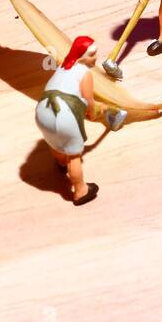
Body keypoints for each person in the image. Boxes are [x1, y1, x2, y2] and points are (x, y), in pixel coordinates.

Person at [34, 35, 126, 206]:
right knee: (74, 154)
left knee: (54, 141)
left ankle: (60, 161)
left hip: (42, 112)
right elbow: (89, 103)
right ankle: (80, 190)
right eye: (91, 55)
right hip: (63, 116)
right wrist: (94, 112)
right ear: (82, 56)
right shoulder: (85, 74)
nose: (95, 58)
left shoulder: (62, 67)